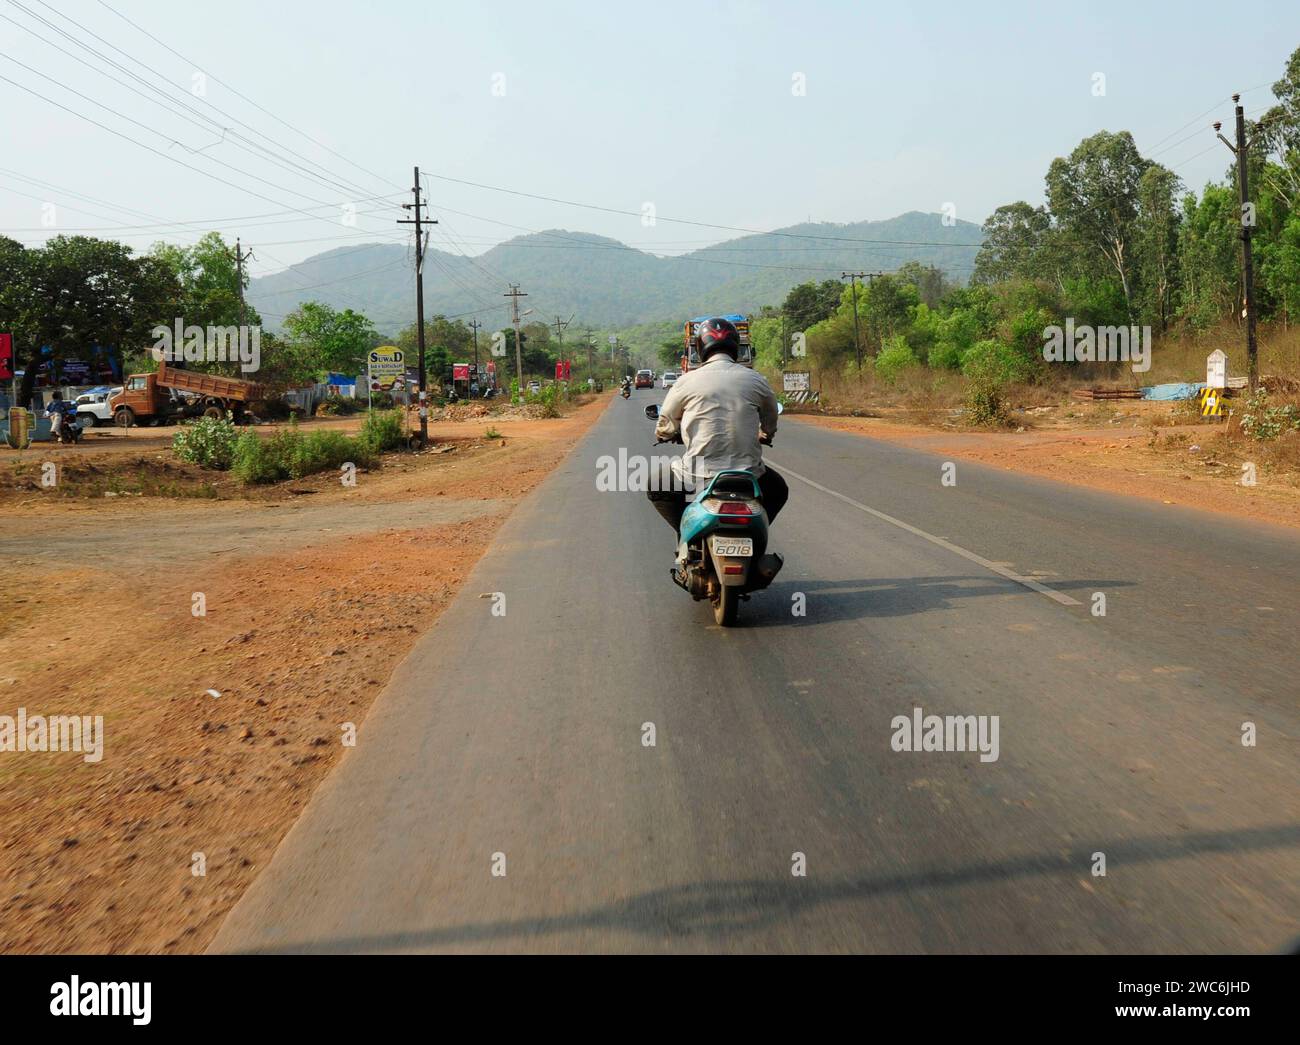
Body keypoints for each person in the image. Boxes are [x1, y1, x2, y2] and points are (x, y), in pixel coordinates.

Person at [647, 316, 788, 535]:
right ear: (736, 347)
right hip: (748, 474)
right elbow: (770, 417)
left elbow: (665, 422)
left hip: (697, 472)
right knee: (779, 489)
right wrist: (766, 434)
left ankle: (686, 536)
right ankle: (757, 534)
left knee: (656, 484)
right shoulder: (755, 379)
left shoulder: (686, 381)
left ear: (700, 347)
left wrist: (664, 434)